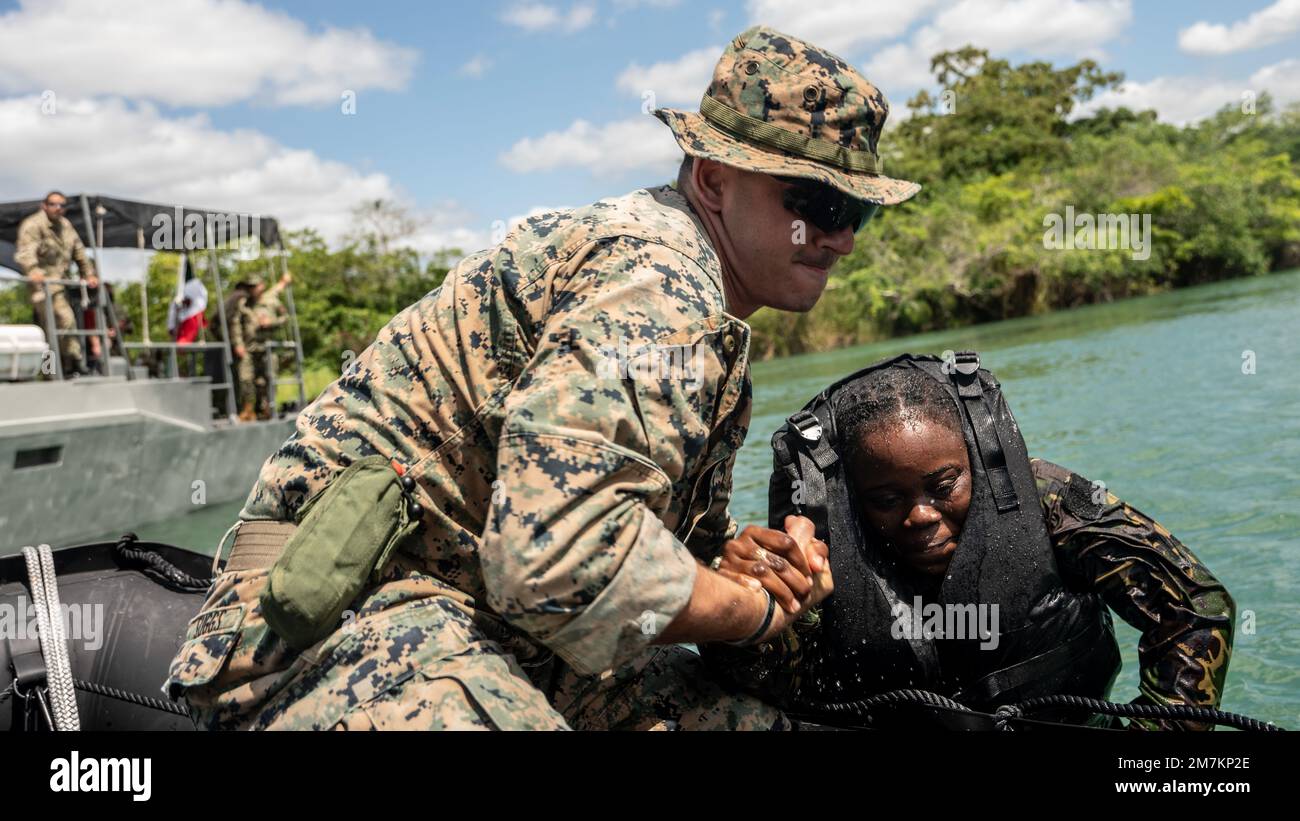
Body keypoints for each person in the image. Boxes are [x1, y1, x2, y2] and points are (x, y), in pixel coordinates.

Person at [164, 25, 917, 730]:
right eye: (817, 203)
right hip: (334, 627)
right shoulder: (656, 282)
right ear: (715, 180)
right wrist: (749, 611)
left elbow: (609, 540)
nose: (841, 239)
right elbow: (558, 557)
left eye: (856, 212)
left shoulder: (695, 305)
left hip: (499, 627)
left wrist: (727, 566)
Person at [704, 353, 1236, 730]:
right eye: (886, 499)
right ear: (854, 499)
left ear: (975, 461)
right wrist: (746, 612)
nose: (920, 516)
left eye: (943, 487)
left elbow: (1196, 608)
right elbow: (763, 685)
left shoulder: (1050, 503)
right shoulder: (813, 549)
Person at [14, 191, 98, 376]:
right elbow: (25, 253)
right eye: (53, 204)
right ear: (44, 205)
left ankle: (62, 367)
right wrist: (34, 272)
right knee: (61, 320)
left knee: (56, 327)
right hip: (41, 287)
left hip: (61, 284)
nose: (58, 208)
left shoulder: (66, 226)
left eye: (62, 205)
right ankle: (65, 365)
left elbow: (79, 252)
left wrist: (89, 274)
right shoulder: (33, 224)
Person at [247, 272, 290, 420]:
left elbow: (285, 317)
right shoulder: (247, 303)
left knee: (271, 377)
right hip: (253, 348)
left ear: (261, 286)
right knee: (255, 381)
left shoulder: (271, 300)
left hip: (269, 347)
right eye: (251, 287)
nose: (253, 289)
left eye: (255, 286)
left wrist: (271, 323)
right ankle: (259, 408)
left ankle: (270, 408)